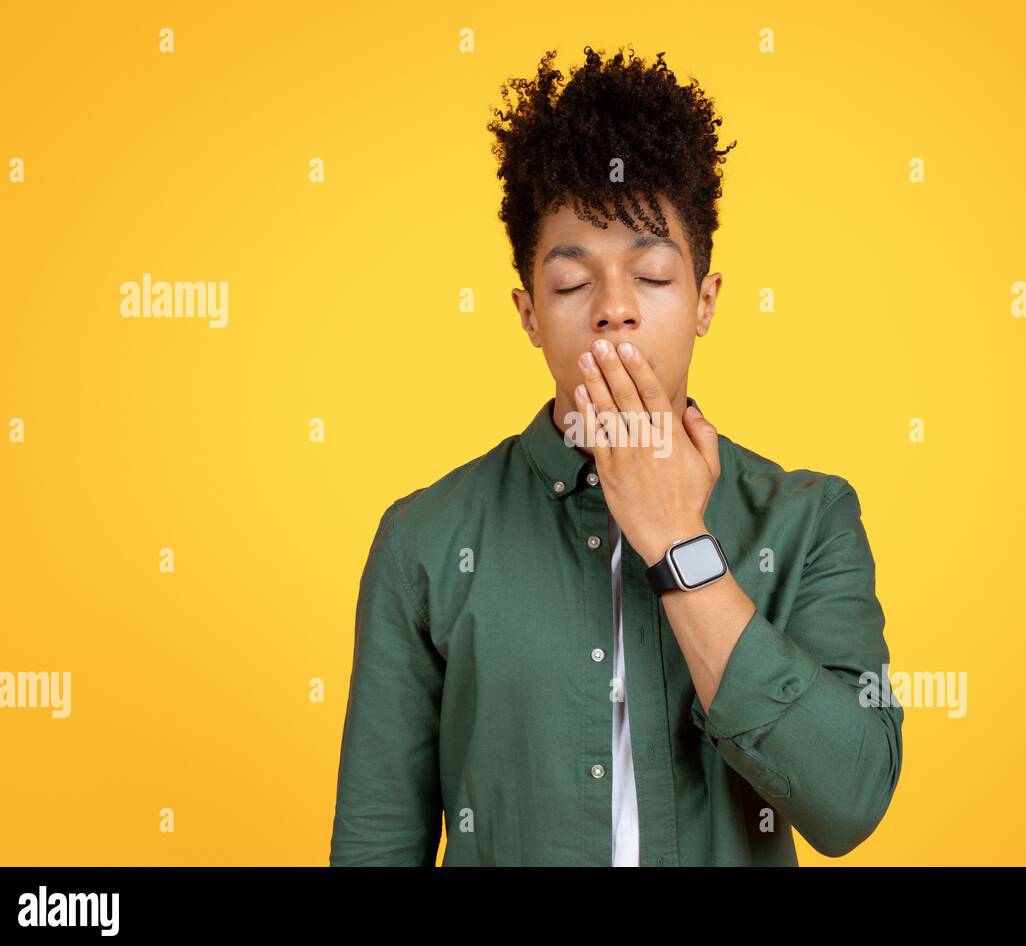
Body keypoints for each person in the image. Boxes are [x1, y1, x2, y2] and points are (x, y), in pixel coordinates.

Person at [329, 44, 903, 866]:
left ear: (705, 302)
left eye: (654, 277)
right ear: (529, 314)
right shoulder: (424, 540)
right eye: (572, 286)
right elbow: (377, 844)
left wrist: (680, 545)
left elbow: (851, 801)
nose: (614, 312)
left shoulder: (811, 519)